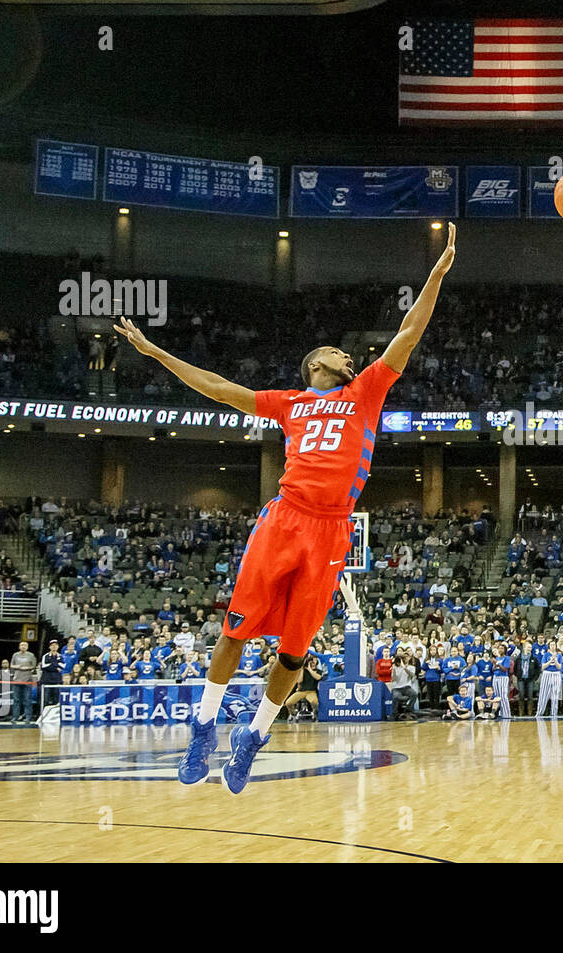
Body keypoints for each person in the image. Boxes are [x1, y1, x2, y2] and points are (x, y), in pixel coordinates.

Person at [116, 224, 456, 793]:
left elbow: (409, 333)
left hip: (331, 531)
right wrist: (155, 353)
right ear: (314, 366)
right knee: (236, 631)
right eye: (336, 351)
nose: (348, 354)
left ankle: (252, 736)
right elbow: (218, 388)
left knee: (294, 654)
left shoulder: (365, 393)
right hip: (286, 518)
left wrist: (437, 274)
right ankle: (204, 726)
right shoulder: (291, 403)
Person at [9, 641, 38, 725]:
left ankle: (28, 717)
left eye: (25, 645)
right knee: (16, 700)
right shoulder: (15, 655)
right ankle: (15, 717)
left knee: (27, 700)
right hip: (17, 680)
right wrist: (17, 667)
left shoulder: (31, 655)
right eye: (22, 645)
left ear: (27, 647)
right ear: (19, 646)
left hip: (27, 680)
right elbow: (11, 665)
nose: (23, 646)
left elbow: (34, 666)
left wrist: (27, 668)